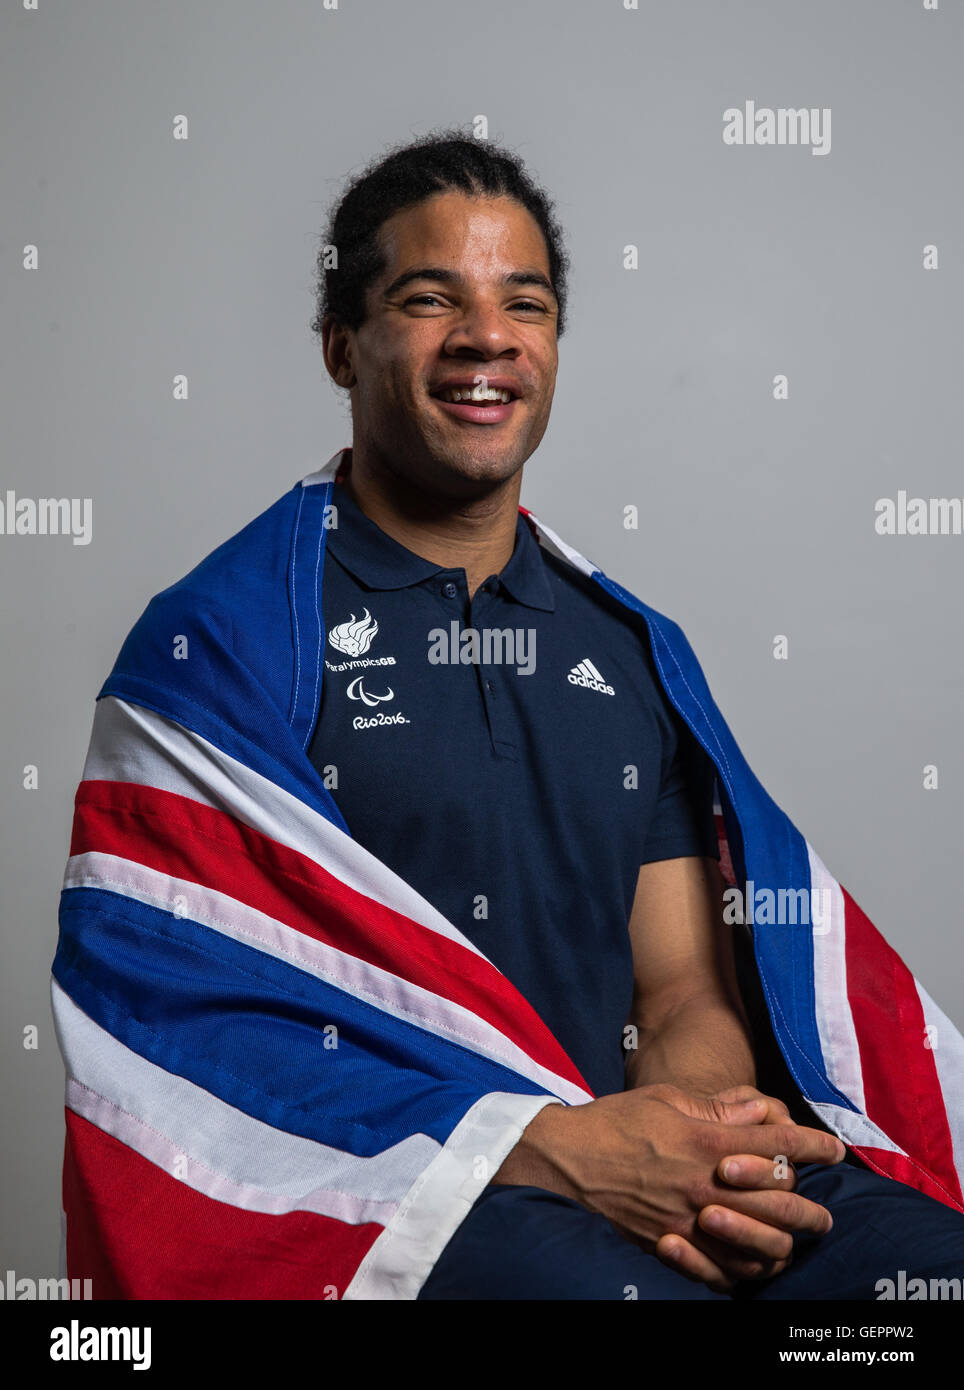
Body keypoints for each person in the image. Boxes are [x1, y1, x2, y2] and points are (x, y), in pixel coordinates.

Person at [300, 131, 964, 1299]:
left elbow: (678, 991)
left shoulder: (624, 645)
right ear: (342, 347)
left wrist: (711, 1149)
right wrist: (570, 1157)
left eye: (527, 303)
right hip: (416, 1199)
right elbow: (218, 1034)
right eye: (427, 298)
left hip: (662, 1170)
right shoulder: (233, 645)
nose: (486, 338)